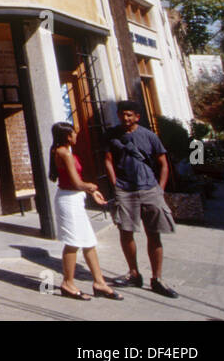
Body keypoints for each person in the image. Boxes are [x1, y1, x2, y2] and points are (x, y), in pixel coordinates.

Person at [104, 101, 178, 297]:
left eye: (129, 115)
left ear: (137, 116)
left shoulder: (149, 136)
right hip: (125, 190)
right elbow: (108, 160)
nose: (125, 118)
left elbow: (163, 163)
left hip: (149, 189)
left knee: (154, 233)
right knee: (126, 231)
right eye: (122, 114)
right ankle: (134, 273)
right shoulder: (111, 135)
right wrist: (115, 184)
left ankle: (157, 278)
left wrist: (160, 189)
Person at [49, 121, 122, 301]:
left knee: (89, 241)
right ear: (67, 135)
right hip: (68, 200)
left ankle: (99, 282)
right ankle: (68, 283)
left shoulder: (66, 151)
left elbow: (77, 182)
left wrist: (93, 192)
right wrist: (91, 186)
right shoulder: (63, 152)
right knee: (73, 241)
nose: (76, 136)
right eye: (74, 133)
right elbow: (77, 183)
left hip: (76, 199)